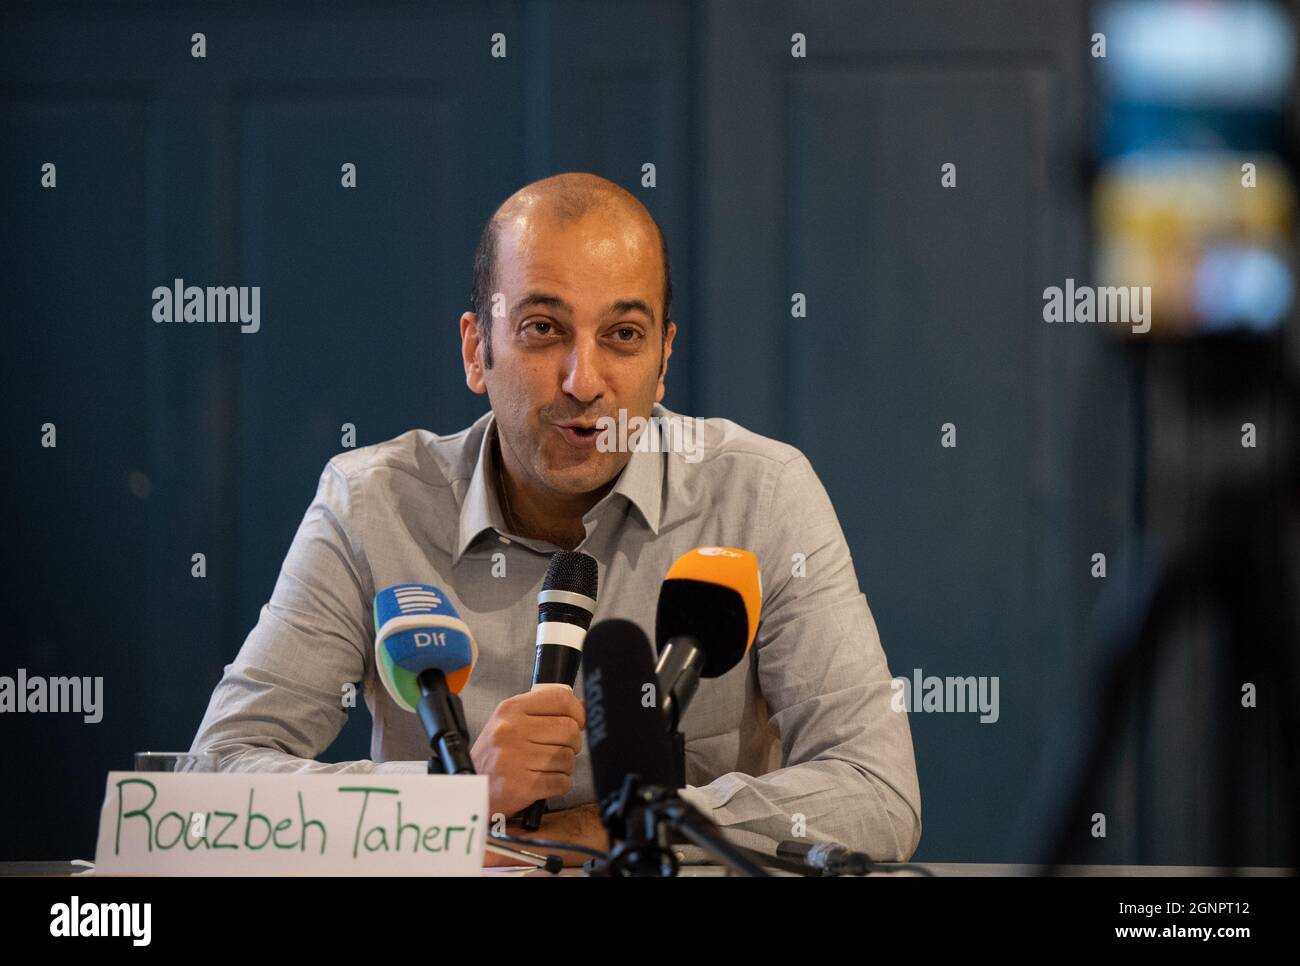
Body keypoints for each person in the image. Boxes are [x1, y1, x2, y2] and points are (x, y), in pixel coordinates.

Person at [190, 172, 922, 867]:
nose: (585, 381)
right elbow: (211, 782)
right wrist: (452, 800)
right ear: (479, 351)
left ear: (663, 362)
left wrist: (612, 829)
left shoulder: (761, 496)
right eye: (543, 329)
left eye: (623, 336)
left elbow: (876, 791)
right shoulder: (373, 504)